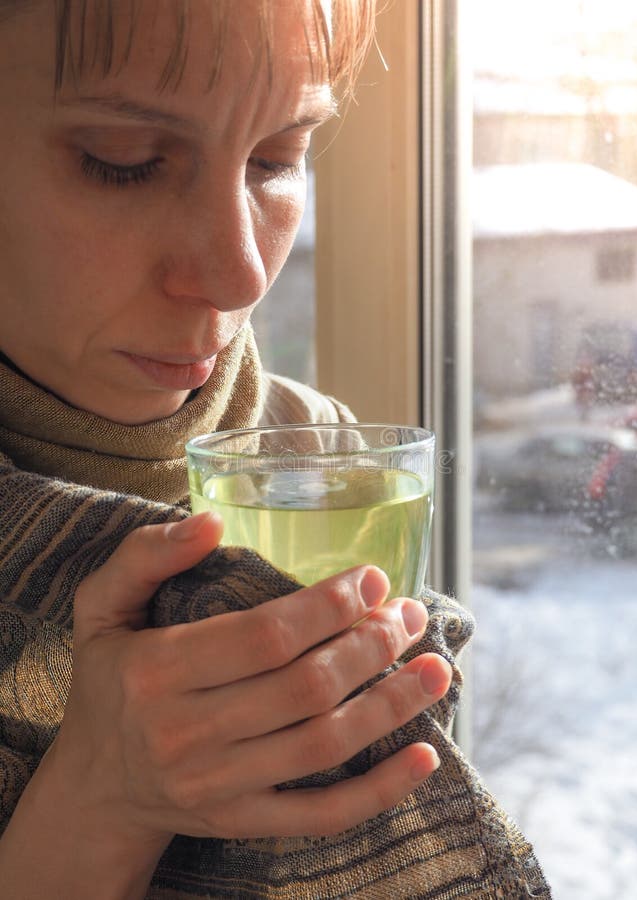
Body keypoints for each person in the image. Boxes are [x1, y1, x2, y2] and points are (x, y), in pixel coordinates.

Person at [0, 1, 550, 898]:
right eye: (123, 162)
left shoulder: (322, 463)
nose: (240, 273)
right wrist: (99, 802)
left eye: (276, 159)